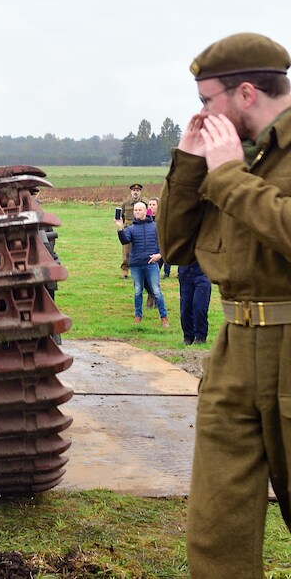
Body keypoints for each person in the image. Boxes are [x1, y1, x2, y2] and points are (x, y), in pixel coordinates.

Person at [156, 32, 291, 577]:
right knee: (217, 531)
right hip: (234, 350)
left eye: (207, 101)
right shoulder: (227, 157)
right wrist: (192, 167)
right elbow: (175, 245)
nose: (201, 113)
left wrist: (230, 176)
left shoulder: (239, 164)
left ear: (246, 95)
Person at [115, 200, 169, 327]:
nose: (137, 212)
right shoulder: (131, 228)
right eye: (135, 210)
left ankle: (164, 317)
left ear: (146, 211)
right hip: (136, 264)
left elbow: (164, 242)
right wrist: (119, 228)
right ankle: (138, 316)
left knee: (156, 291)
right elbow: (124, 241)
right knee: (138, 291)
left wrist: (160, 255)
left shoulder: (155, 227)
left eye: (140, 210)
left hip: (151, 264)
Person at [178, 262, 211, 346]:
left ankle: (200, 336)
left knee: (199, 307)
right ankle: (188, 337)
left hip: (202, 272)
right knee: (185, 309)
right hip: (185, 272)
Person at [118, 183, 145, 278]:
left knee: (141, 251)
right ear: (131, 192)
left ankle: (140, 271)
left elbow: (150, 215)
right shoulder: (125, 203)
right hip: (128, 230)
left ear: (140, 192)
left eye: (137, 191)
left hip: (142, 230)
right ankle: (125, 271)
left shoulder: (145, 203)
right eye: (134, 191)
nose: (136, 192)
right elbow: (120, 216)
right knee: (126, 252)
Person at [146, 197, 171, 279]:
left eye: (153, 204)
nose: (151, 206)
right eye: (150, 204)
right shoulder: (147, 216)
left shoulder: (162, 216)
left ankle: (166, 272)